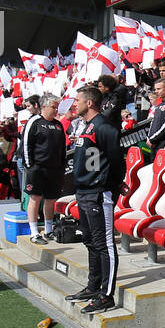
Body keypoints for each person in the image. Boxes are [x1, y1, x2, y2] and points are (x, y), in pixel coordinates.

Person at [65, 87, 125, 316]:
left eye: (77, 100)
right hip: (83, 191)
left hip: (98, 193)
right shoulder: (87, 126)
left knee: (104, 244)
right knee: (90, 241)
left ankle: (106, 295)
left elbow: (116, 160)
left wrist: (108, 185)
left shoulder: (104, 127)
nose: (74, 103)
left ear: (89, 103)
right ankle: (93, 287)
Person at [23, 96, 68, 244]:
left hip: (54, 169)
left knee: (51, 199)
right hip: (37, 168)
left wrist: (62, 166)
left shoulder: (58, 125)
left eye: (57, 107)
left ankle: (49, 230)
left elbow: (63, 147)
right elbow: (26, 144)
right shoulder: (34, 122)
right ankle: (34, 231)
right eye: (53, 107)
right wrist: (30, 165)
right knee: (35, 198)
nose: (56, 110)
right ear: (44, 107)